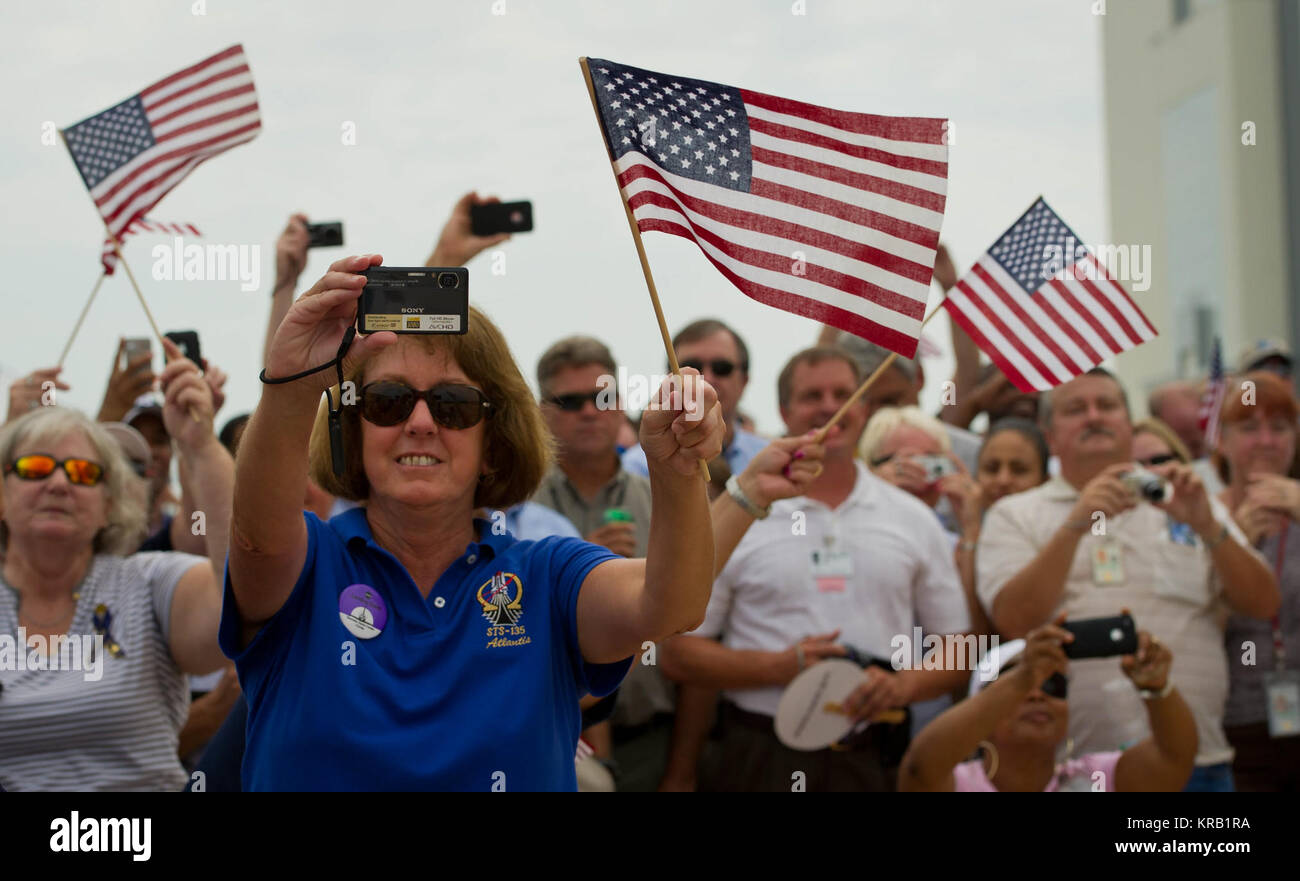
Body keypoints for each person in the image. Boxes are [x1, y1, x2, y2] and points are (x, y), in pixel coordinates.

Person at [225, 252, 723, 791]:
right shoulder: (307, 567)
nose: (419, 422)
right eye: (387, 401)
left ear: (494, 444)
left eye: (453, 405)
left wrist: (676, 470)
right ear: (352, 429)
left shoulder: (548, 574)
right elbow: (256, 541)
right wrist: (290, 384)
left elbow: (671, 604)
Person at [659, 346, 971, 792]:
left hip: (875, 754)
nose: (829, 406)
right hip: (759, 755)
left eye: (843, 393)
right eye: (812, 396)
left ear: (863, 407)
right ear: (784, 410)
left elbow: (958, 650)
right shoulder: (740, 511)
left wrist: (903, 686)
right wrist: (779, 667)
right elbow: (680, 654)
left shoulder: (913, 518)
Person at [977, 367, 1280, 791]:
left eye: (1108, 405)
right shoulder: (1016, 514)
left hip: (1199, 763)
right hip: (1075, 772)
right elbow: (1013, 617)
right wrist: (1076, 523)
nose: (1094, 416)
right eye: (1076, 409)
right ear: (1048, 432)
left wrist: (1210, 528)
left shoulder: (1186, 500)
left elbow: (1263, 604)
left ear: (1128, 421)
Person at [0, 341, 230, 791]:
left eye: (85, 473)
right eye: (35, 467)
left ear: (111, 505)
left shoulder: (149, 583)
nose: (60, 482)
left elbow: (245, 600)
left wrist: (200, 445)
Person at [530, 335, 668, 791]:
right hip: (550, 743)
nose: (588, 411)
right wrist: (576, 575)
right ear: (542, 412)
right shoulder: (517, 508)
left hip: (653, 736)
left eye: (601, 397)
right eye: (569, 401)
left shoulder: (664, 501)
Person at [898, 620, 1197, 792]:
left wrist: (1157, 687)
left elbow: (1174, 758)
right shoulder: (956, 784)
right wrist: (1021, 679)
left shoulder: (1095, 780)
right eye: (1019, 686)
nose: (1037, 695)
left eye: (1053, 685)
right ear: (980, 705)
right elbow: (918, 767)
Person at [1212, 371, 1300, 790]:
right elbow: (1190, 626)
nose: (1266, 440)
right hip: (1231, 728)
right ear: (1221, 439)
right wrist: (1234, 548)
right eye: (1249, 428)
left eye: (1279, 427)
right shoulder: (1200, 517)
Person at [622, 319, 766, 477]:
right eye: (691, 367)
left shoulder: (769, 460)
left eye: (721, 368)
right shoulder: (637, 467)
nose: (708, 379)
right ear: (669, 378)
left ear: (744, 381)